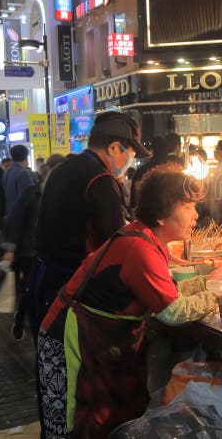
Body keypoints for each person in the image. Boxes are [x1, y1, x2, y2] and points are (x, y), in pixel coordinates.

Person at [36, 170, 217, 438]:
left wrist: (207, 282)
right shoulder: (140, 249)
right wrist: (219, 294)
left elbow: (163, 290)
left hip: (98, 340)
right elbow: (173, 312)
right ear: (161, 214)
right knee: (72, 423)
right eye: (188, 206)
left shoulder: (146, 237)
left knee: (108, 420)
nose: (196, 215)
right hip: (69, 339)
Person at [33, 111, 151, 334]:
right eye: (132, 153)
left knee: (54, 361)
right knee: (78, 363)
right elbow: (117, 244)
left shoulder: (62, 170)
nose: (130, 161)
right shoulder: (100, 179)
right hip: (77, 292)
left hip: (46, 283)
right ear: (115, 147)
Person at [1, 154, 66, 340]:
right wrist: (10, 248)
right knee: (31, 290)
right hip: (28, 250)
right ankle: (26, 321)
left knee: (37, 290)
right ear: (52, 171)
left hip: (50, 251)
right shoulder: (32, 192)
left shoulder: (62, 194)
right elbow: (15, 221)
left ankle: (28, 319)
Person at [2, 144, 36, 217]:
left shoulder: (7, 172)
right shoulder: (23, 173)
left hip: (9, 215)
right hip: (20, 218)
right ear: (26, 156)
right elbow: (28, 199)